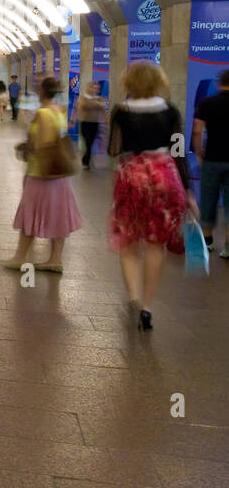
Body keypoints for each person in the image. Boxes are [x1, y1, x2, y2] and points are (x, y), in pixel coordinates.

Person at [107, 61, 198, 330]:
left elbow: (114, 148)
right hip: (164, 176)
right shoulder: (170, 110)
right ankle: (147, 307)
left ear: (129, 82)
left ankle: (133, 297)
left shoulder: (121, 111)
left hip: (132, 177)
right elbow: (179, 152)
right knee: (155, 245)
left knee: (128, 242)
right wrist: (189, 191)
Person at [1, 76, 83, 274]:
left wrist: (28, 146)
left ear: (42, 92)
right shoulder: (60, 111)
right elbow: (60, 137)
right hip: (59, 176)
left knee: (30, 213)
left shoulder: (44, 113)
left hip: (41, 175)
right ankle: (55, 259)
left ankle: (20, 257)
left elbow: (45, 143)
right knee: (58, 216)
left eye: (38, 88)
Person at [192, 68, 229, 259]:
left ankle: (208, 242)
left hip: (212, 158)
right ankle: (228, 246)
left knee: (208, 199)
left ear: (219, 84)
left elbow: (198, 130)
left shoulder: (207, 103)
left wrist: (199, 154)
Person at [71, 81, 106, 170]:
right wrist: (73, 121)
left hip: (95, 124)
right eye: (93, 87)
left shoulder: (100, 99)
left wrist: (107, 121)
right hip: (85, 123)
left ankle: (86, 158)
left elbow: (103, 111)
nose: (95, 89)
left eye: (96, 88)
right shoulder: (82, 98)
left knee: (90, 142)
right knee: (88, 141)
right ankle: (87, 158)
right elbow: (78, 110)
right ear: (88, 88)